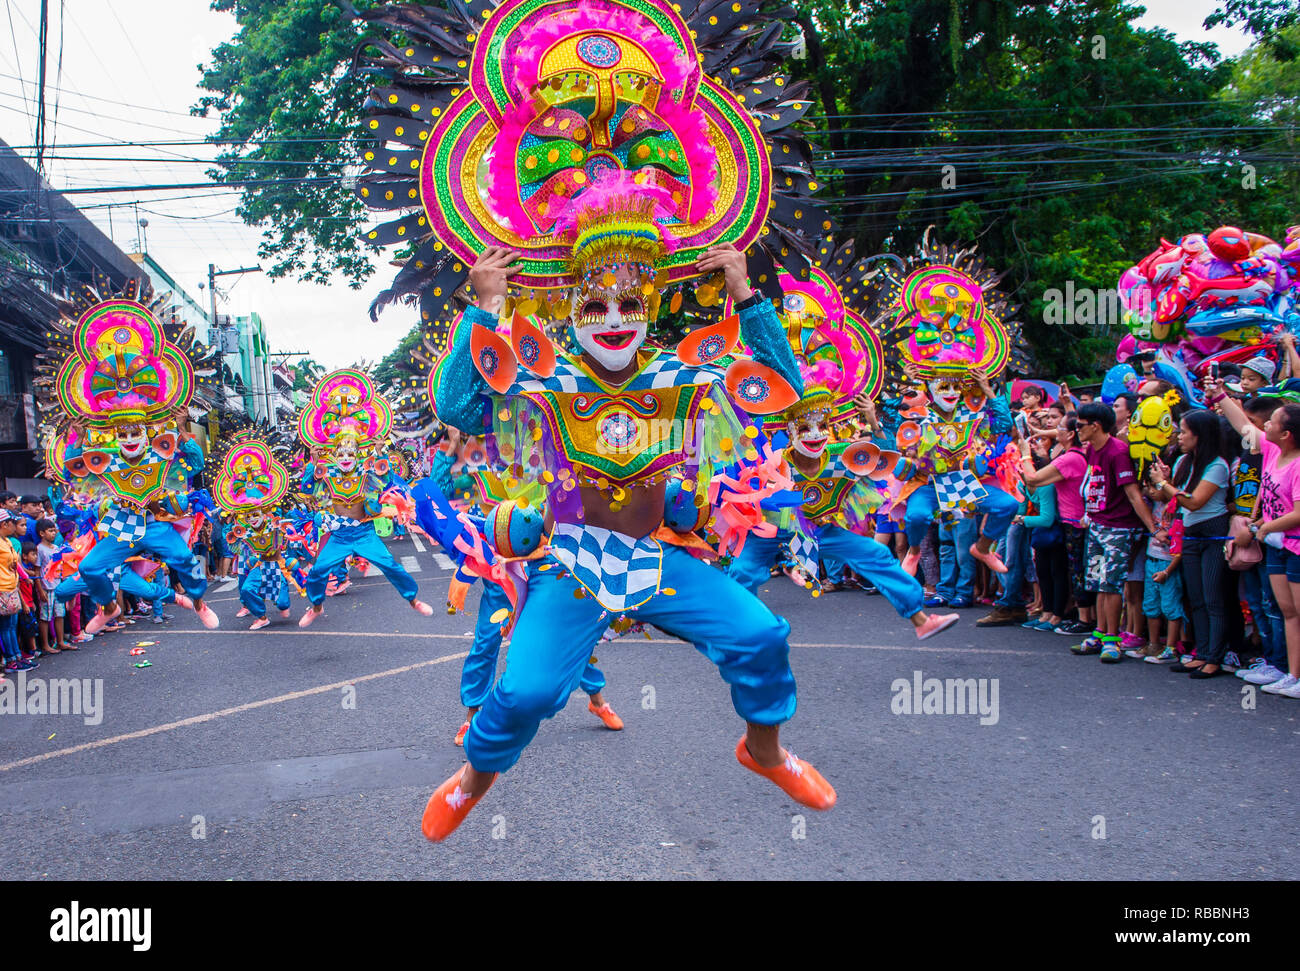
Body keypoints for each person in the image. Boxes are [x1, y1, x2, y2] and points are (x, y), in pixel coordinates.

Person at [1214, 386, 1300, 697]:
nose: (1266, 426)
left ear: (1287, 433)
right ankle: (1288, 672)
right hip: (1277, 544)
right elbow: (1244, 426)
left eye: (1273, 422)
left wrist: (1260, 528)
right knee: (1286, 611)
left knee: (1296, 612)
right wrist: (1219, 396)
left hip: (1293, 546)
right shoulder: (1274, 451)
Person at [1071, 402, 1158, 662]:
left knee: (1111, 585)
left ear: (1095, 426)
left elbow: (1132, 494)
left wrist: (1153, 529)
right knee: (1096, 582)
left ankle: (1112, 638)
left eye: (1080, 426)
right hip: (1097, 524)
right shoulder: (1093, 450)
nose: (1077, 430)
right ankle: (1099, 633)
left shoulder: (1117, 452)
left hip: (1119, 527)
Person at [1148, 411, 1231, 676]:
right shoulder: (1184, 460)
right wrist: (1162, 480)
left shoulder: (1218, 465)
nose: (1179, 436)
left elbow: (1195, 501)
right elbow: (1169, 498)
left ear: (1200, 435)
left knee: (1213, 597)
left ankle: (1215, 657)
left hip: (1213, 533)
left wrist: (1164, 483)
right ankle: (1202, 652)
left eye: (1184, 431)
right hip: (1190, 532)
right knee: (1195, 597)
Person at [1017, 412, 1093, 634]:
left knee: (1070, 573)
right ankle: (1053, 613)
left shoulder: (1071, 456)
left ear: (1070, 434)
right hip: (1066, 520)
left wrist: (1024, 454)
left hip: (1073, 522)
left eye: (1059, 427)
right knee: (1054, 570)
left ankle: (1077, 618)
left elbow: (1033, 478)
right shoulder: (1071, 454)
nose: (1054, 430)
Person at [1138, 476, 1184, 662]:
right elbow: (1138, 494)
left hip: (1168, 562)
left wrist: (1168, 571)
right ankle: (1154, 643)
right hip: (1152, 558)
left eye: (1155, 487)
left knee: (1170, 605)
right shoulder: (1153, 506)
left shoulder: (1178, 510)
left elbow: (1180, 546)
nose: (1151, 491)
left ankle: (1171, 647)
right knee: (1150, 604)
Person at [35, 518, 69, 654]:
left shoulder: (56, 548)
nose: (54, 533)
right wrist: (39, 588)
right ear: (42, 533)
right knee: (45, 617)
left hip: (57, 585)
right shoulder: (39, 549)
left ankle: (60, 642)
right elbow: (37, 570)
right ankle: (45, 644)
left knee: (60, 614)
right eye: (50, 531)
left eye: (54, 530)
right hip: (46, 587)